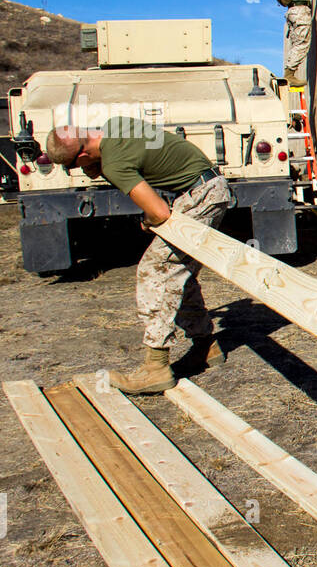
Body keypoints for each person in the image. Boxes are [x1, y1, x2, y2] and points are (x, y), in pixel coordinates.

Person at [45, 118, 233, 394]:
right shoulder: (116, 125)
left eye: (75, 165)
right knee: (177, 272)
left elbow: (159, 212)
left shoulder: (114, 162)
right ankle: (206, 346)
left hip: (201, 196)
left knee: (156, 269)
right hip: (204, 188)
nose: (81, 171)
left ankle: (155, 368)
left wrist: (149, 219)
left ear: (83, 155)